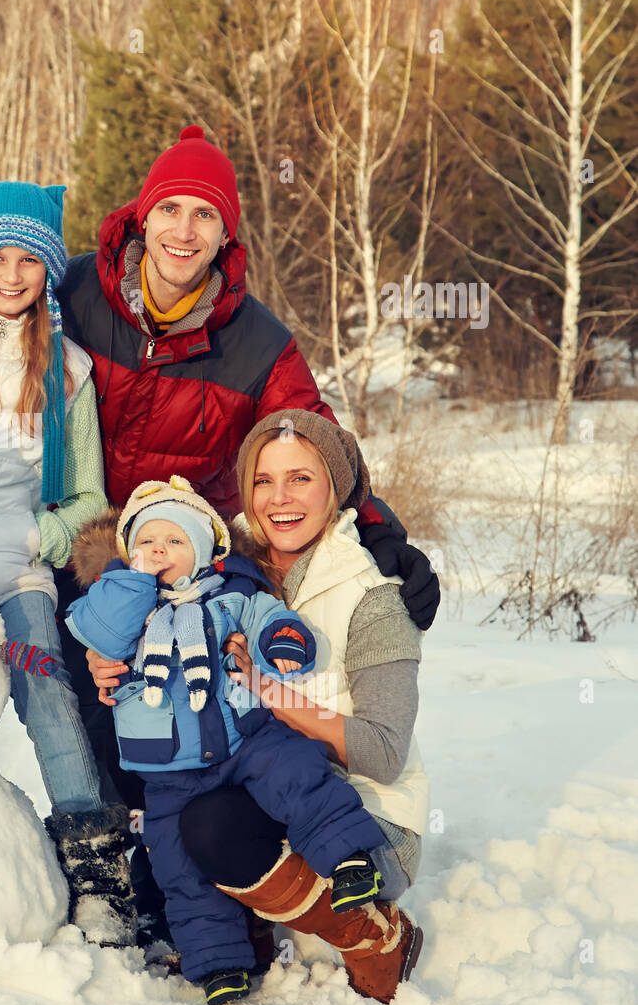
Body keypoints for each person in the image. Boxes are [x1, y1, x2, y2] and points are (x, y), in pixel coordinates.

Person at [54, 125, 441, 936]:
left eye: (204, 215)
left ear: (225, 235)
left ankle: (205, 868)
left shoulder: (256, 341)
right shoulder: (78, 293)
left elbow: (314, 435)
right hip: (95, 543)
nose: (184, 231)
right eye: (171, 210)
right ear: (142, 217)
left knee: (200, 703)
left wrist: (380, 529)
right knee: (98, 699)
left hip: (193, 559)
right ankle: (120, 857)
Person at [64, 476, 390, 1004]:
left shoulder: (229, 596)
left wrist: (282, 641)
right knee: (177, 866)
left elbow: (271, 619)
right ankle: (217, 963)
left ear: (202, 550)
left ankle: (348, 858)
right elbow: (98, 631)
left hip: (245, 738)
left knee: (296, 771)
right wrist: (129, 580)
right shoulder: (126, 614)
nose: (157, 552)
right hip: (168, 771)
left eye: (173, 542)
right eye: (146, 542)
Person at [0, 177, 136, 944]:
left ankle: (99, 870)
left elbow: (87, 499)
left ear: (49, 270)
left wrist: (34, 540)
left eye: (29, 261)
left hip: (18, 568)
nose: (11, 275)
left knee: (49, 699)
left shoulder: (70, 369)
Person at [177, 409, 429, 1004]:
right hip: (270, 793)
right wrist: (107, 657)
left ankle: (376, 936)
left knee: (214, 831)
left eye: (300, 479)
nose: (278, 499)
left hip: (367, 821)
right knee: (167, 856)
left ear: (334, 489)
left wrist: (272, 694)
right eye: (263, 480)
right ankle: (258, 925)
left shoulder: (372, 598)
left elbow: (384, 754)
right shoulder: (223, 575)